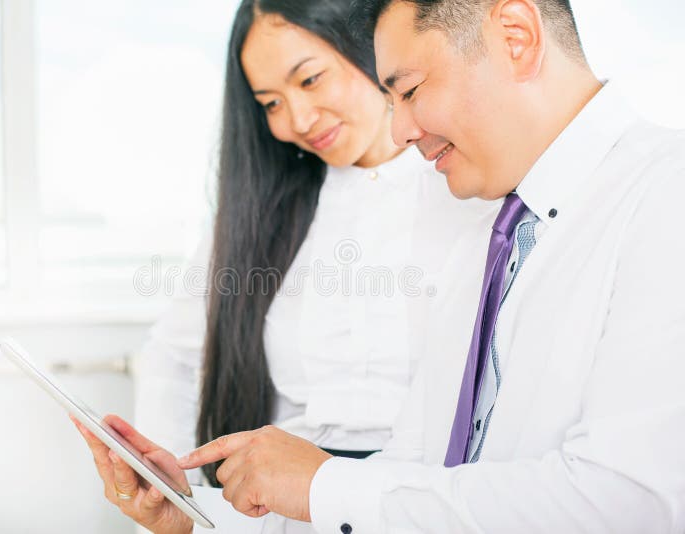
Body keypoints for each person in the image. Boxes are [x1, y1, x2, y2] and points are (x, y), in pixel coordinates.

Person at [170, 0, 685, 532]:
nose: (400, 131)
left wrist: (324, 484)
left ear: (516, 38)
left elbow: (631, 502)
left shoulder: (667, 195)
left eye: (411, 91)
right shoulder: (495, 234)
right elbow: (412, 476)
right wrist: (200, 521)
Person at [73, 0, 495, 532]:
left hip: (425, 506)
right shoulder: (263, 211)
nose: (297, 120)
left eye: (311, 79)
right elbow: (172, 356)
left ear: (369, 47)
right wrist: (174, 493)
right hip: (281, 516)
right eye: (271, 103)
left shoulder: (469, 187)